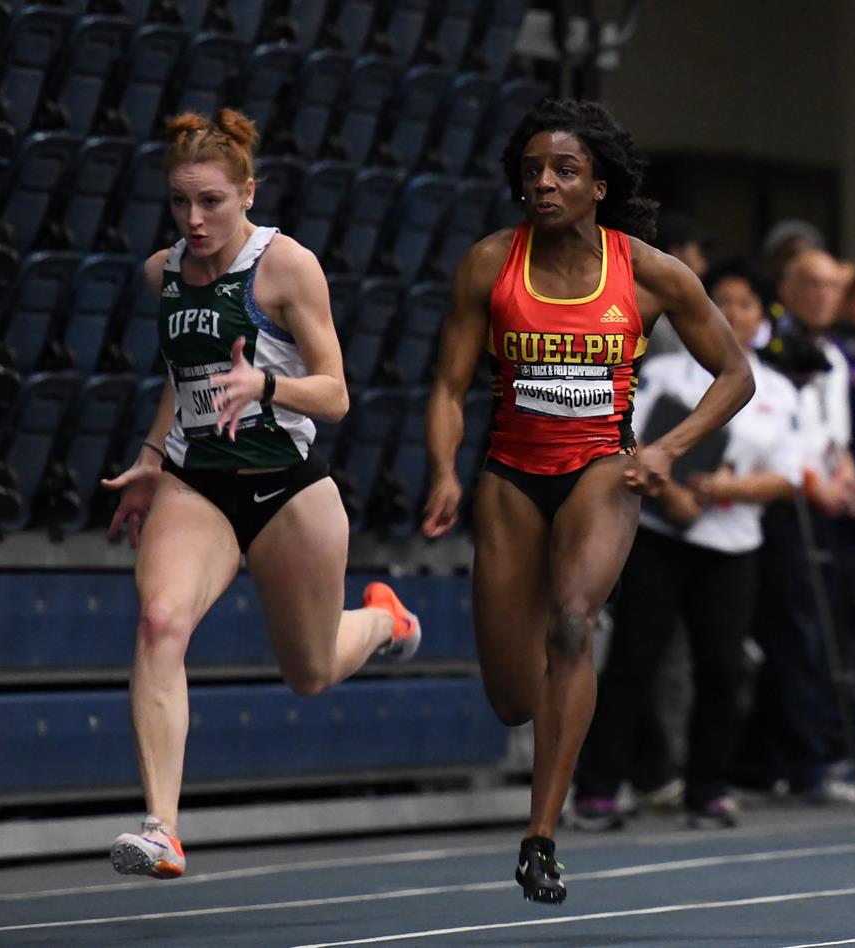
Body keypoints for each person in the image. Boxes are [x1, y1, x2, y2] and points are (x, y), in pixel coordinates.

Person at [420, 98, 752, 903]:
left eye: (564, 169)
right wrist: (443, 471)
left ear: (599, 185)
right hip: (510, 473)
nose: (545, 182)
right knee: (509, 700)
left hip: (604, 464)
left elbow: (737, 374)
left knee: (575, 621)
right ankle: (557, 701)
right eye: (532, 169)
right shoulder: (489, 263)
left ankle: (541, 835)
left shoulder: (647, 271)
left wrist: (668, 449)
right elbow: (449, 384)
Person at [101, 109, 420, 879]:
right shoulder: (164, 273)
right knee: (158, 621)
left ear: (249, 191)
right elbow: (184, 378)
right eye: (180, 203)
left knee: (309, 672)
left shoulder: (287, 268)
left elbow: (338, 395)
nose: (195, 219)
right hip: (197, 482)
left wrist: (267, 383)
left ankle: (381, 619)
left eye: (211, 201)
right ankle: (161, 828)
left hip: (289, 489)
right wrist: (152, 454)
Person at [571, 262, 806, 830]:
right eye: (721, 301)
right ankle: (599, 788)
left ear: (763, 317)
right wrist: (671, 492)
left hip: (733, 546)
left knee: (723, 668)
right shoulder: (667, 372)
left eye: (746, 303)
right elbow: (629, 438)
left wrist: (729, 488)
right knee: (633, 659)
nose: (734, 314)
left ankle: (708, 789)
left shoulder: (775, 387)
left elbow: (788, 476)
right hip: (658, 535)